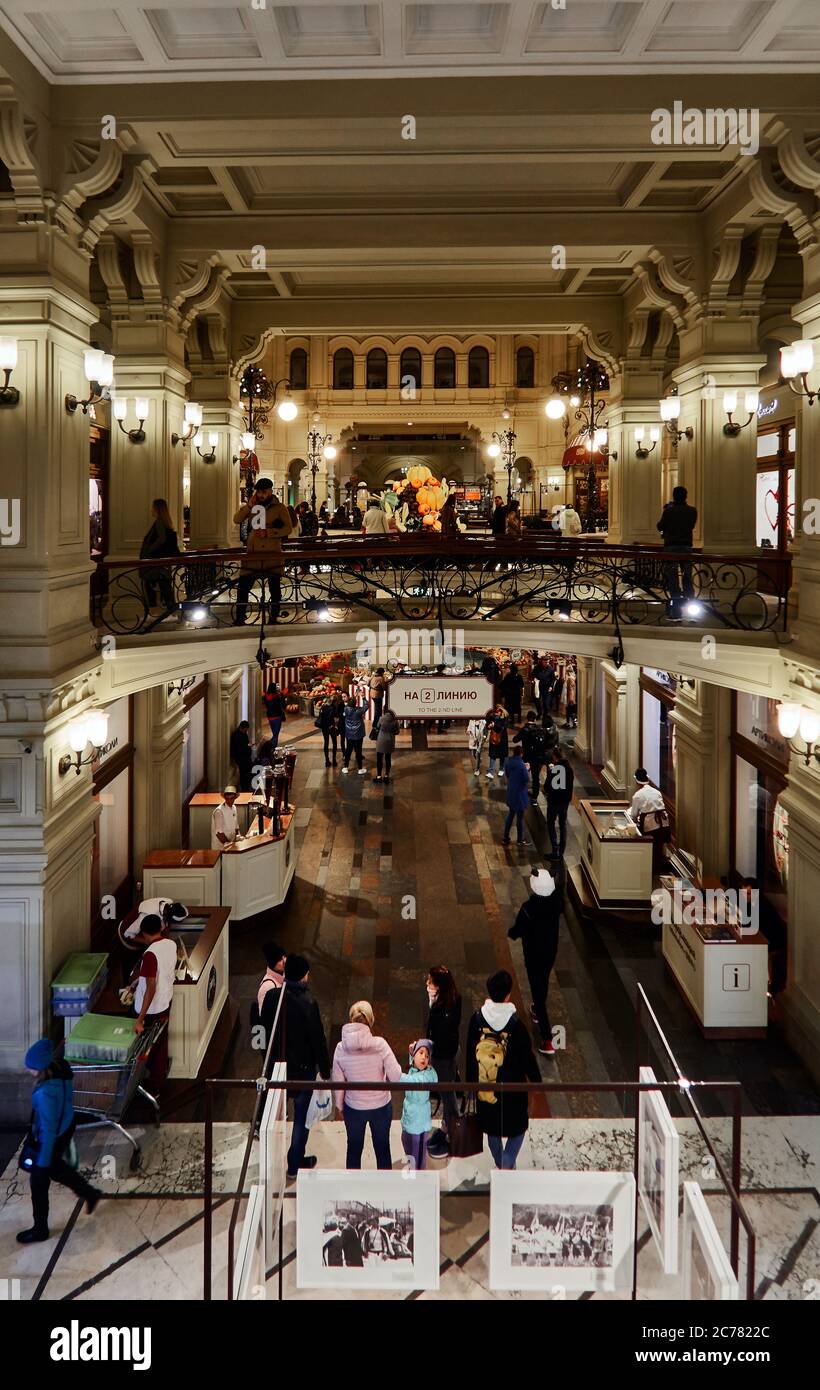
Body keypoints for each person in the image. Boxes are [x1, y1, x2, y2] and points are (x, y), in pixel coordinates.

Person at [16, 1039, 101, 1244]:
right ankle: (89, 1193)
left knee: (39, 1180)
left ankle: (40, 1229)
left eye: (31, 1066)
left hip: (52, 1136)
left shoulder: (45, 1094)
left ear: (40, 1067)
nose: (28, 1069)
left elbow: (48, 1129)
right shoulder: (61, 1068)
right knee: (57, 1169)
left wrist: (42, 1163)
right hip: (66, 1124)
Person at [465, 969, 541, 1170]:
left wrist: (469, 1085)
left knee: (492, 1132)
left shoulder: (477, 1019)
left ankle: (504, 1168)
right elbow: (527, 1058)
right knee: (517, 1130)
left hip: (485, 1089)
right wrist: (536, 1080)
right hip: (512, 1092)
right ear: (508, 994)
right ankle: (507, 1168)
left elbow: (470, 1056)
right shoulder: (516, 1026)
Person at [331, 1000, 401, 1170]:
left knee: (354, 1150)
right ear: (370, 1020)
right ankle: (384, 1190)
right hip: (380, 1107)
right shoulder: (380, 1045)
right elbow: (396, 1076)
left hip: (353, 1108)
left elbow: (338, 1082)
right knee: (382, 1150)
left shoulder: (340, 1048)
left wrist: (340, 1106)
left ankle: (354, 1190)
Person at [281, 954, 331, 1178]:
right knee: (301, 1117)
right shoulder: (308, 1004)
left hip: (281, 1068)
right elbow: (318, 1039)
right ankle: (294, 1163)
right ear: (302, 976)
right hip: (303, 1071)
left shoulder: (275, 997)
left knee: (288, 1112)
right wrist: (325, 1070)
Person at [508, 869, 563, 1057]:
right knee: (543, 981)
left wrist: (512, 933)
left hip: (533, 955)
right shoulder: (556, 903)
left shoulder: (528, 909)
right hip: (550, 953)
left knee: (537, 990)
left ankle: (547, 1040)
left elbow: (517, 930)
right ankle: (536, 1007)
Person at [233, 478, 294, 625]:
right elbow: (237, 519)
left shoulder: (280, 508)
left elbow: (288, 528)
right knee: (243, 587)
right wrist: (248, 506)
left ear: (270, 491)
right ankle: (240, 618)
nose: (261, 495)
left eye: (264, 492)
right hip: (253, 554)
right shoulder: (253, 507)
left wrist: (270, 532)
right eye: (259, 492)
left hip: (272, 553)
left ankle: (273, 617)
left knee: (275, 589)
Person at [133, 914, 177, 1089]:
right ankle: (158, 1082)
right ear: (160, 928)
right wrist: (138, 981)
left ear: (144, 933)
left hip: (151, 1009)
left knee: (150, 1049)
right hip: (166, 1001)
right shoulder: (170, 944)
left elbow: (151, 987)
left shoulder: (150, 955)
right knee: (160, 1044)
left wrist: (139, 1019)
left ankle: (154, 1085)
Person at [424, 965, 462, 1159]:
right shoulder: (456, 997)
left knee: (448, 1095)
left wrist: (432, 1005)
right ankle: (449, 1126)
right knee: (449, 1091)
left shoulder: (440, 1009)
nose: (427, 983)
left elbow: (434, 1032)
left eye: (430, 981)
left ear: (439, 985)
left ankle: (452, 1133)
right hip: (452, 1052)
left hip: (442, 1057)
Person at [657, 485, 698, 612]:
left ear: (674, 496)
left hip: (671, 548)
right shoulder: (692, 511)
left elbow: (660, 526)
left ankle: (676, 606)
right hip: (686, 547)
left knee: (673, 578)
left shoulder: (669, 511)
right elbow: (691, 526)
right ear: (686, 496)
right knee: (687, 577)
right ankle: (690, 603)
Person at [400, 1040, 437, 1171]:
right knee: (407, 1146)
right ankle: (412, 1169)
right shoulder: (413, 1070)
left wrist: (397, 1075)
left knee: (418, 1153)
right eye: (420, 1053)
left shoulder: (427, 1074)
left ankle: (419, 1176)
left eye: (427, 1056)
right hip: (409, 1121)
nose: (423, 1058)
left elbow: (412, 1081)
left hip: (419, 1125)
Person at [139, 498, 180, 611]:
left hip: (154, 562)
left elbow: (161, 539)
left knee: (152, 585)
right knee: (164, 586)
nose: (150, 510)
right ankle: (169, 610)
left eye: (152, 507)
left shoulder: (159, 522)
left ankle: (156, 610)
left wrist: (149, 551)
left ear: (157, 508)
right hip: (160, 563)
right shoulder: (164, 522)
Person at [629, 768, 669, 872]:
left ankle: (648, 869)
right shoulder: (656, 792)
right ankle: (658, 868)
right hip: (664, 823)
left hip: (649, 825)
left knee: (649, 848)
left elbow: (633, 815)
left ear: (637, 782)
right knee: (658, 847)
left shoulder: (637, 796)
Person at [250, 940, 286, 1048]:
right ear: (272, 963)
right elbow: (266, 1019)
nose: (284, 960)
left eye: (284, 956)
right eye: (280, 959)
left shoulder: (284, 974)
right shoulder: (267, 988)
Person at [514, 710, 550, 800]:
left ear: (527, 718)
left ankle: (521, 792)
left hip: (526, 756)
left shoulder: (525, 729)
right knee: (535, 776)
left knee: (522, 774)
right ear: (535, 719)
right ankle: (535, 796)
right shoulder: (539, 729)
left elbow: (515, 740)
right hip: (537, 756)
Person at [545, 750, 574, 858]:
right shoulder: (570, 770)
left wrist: (550, 771)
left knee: (551, 823)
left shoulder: (554, 770)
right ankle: (562, 849)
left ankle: (554, 849)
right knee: (563, 824)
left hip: (554, 801)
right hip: (564, 802)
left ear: (554, 757)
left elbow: (547, 787)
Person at [502, 747, 530, 845]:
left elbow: (508, 774)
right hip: (520, 794)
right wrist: (527, 769)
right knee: (520, 818)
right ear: (521, 754)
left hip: (511, 791)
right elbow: (526, 779)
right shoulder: (522, 766)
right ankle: (520, 839)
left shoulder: (509, 762)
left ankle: (505, 837)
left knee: (510, 815)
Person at [373, 705, 398, 783]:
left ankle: (379, 776)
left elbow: (377, 727)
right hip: (390, 741)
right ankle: (386, 776)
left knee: (379, 759)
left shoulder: (381, 718)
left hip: (381, 740)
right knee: (388, 759)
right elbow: (397, 732)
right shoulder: (395, 720)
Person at [341, 697, 366, 774]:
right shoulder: (358, 711)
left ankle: (345, 767)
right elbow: (366, 706)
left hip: (349, 734)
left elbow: (347, 704)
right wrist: (364, 698)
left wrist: (353, 698)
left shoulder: (345, 709)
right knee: (358, 752)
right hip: (358, 735)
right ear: (355, 704)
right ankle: (360, 769)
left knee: (348, 751)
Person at [211, 785, 241, 850]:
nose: (229, 801)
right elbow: (219, 833)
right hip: (220, 848)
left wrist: (238, 839)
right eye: (227, 798)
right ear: (225, 798)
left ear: (235, 797)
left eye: (232, 798)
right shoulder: (219, 811)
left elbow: (236, 827)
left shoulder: (234, 808)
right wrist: (229, 845)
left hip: (232, 845)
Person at [485, 704, 509, 779]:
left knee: (502, 755)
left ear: (502, 711)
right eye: (496, 710)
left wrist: (494, 725)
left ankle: (501, 769)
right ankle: (491, 771)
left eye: (499, 710)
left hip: (502, 739)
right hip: (494, 739)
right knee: (492, 755)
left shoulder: (505, 719)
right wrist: (489, 725)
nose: (497, 712)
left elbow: (501, 728)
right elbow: (487, 724)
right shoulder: (493, 717)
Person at [229, 719, 253, 792]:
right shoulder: (237, 736)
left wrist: (248, 746)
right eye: (245, 730)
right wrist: (248, 746)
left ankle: (247, 787)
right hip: (241, 759)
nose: (246, 731)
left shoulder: (243, 733)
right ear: (242, 728)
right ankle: (245, 788)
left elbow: (245, 743)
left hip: (245, 758)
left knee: (247, 773)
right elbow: (238, 749)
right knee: (244, 775)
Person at [263, 681, 287, 748]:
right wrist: (281, 695)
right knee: (276, 735)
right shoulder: (277, 697)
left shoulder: (265, 697)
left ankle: (271, 746)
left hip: (270, 717)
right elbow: (282, 706)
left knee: (274, 733)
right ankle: (272, 748)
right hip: (277, 717)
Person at [317, 697, 339, 767]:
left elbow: (320, 717)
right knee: (334, 743)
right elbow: (335, 716)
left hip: (324, 728)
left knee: (326, 743)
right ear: (331, 702)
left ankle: (327, 760)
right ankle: (334, 760)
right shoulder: (332, 708)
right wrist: (332, 725)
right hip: (331, 727)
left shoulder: (322, 708)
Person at [331, 692, 348, 761]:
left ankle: (334, 758)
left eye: (345, 696)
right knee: (342, 740)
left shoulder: (350, 703)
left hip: (341, 725)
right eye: (342, 697)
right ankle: (344, 754)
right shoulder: (341, 704)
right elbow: (340, 714)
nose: (343, 698)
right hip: (342, 724)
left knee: (335, 743)